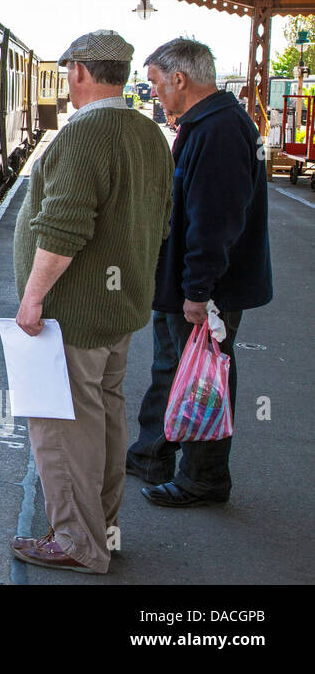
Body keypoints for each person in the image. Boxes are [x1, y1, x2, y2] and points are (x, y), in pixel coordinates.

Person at [11, 30, 173, 574]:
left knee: (63, 424)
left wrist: (33, 299)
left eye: (66, 72)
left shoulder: (86, 133)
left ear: (80, 71)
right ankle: (101, 526)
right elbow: (162, 219)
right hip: (120, 307)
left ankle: (77, 542)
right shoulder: (149, 133)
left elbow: (62, 227)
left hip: (73, 313)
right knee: (105, 414)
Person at [126, 38, 272, 507]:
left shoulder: (220, 131)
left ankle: (204, 479)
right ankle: (151, 454)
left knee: (205, 377)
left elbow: (216, 220)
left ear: (179, 79)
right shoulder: (210, 124)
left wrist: (198, 291)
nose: (153, 94)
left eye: (153, 83)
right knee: (173, 367)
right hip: (190, 283)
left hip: (208, 289)